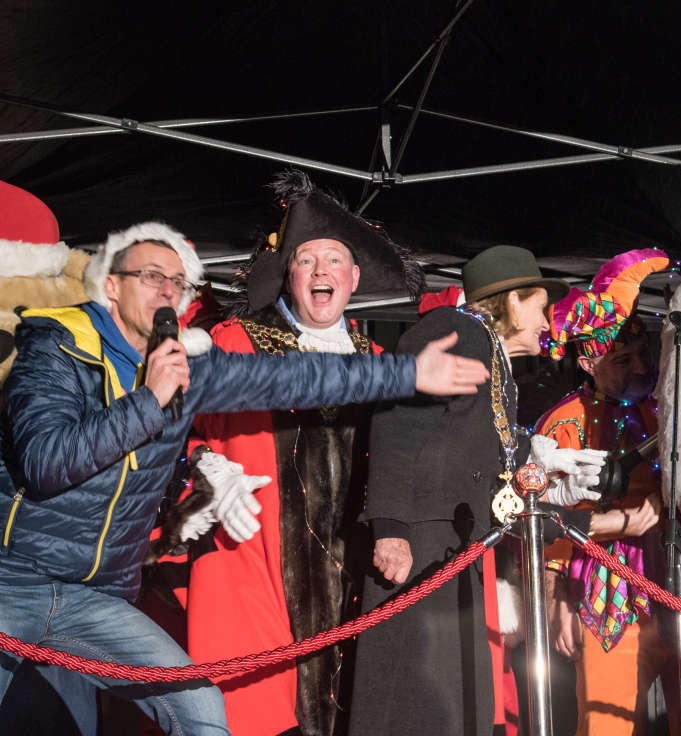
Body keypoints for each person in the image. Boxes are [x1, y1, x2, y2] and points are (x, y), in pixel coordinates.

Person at [0, 220, 488, 734]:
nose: (166, 291)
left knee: (201, 710)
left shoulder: (186, 368)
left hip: (96, 597)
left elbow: (290, 376)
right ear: (111, 286)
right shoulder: (56, 350)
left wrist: (407, 373)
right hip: (16, 584)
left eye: (176, 282)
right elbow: (46, 463)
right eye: (149, 276)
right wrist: (161, 410)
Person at [177, 170, 424, 736]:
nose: (320, 272)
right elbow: (181, 435)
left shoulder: (380, 359)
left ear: (354, 277)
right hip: (263, 565)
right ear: (288, 273)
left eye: (333, 261)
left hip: (360, 570)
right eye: (307, 259)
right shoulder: (237, 343)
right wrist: (206, 470)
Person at [349, 245, 612, 736]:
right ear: (512, 301)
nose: (547, 324)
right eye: (539, 306)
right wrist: (390, 528)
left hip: (461, 543)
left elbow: (480, 456)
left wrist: (546, 479)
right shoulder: (451, 331)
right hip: (422, 541)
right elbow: (397, 426)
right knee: (415, 694)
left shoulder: (491, 354)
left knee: (453, 699)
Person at [537, 249, 681, 736]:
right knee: (605, 726)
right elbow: (544, 523)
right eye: (623, 359)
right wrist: (556, 604)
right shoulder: (561, 425)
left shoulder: (665, 409)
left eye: (643, 356)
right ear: (589, 361)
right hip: (605, 599)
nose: (640, 368)